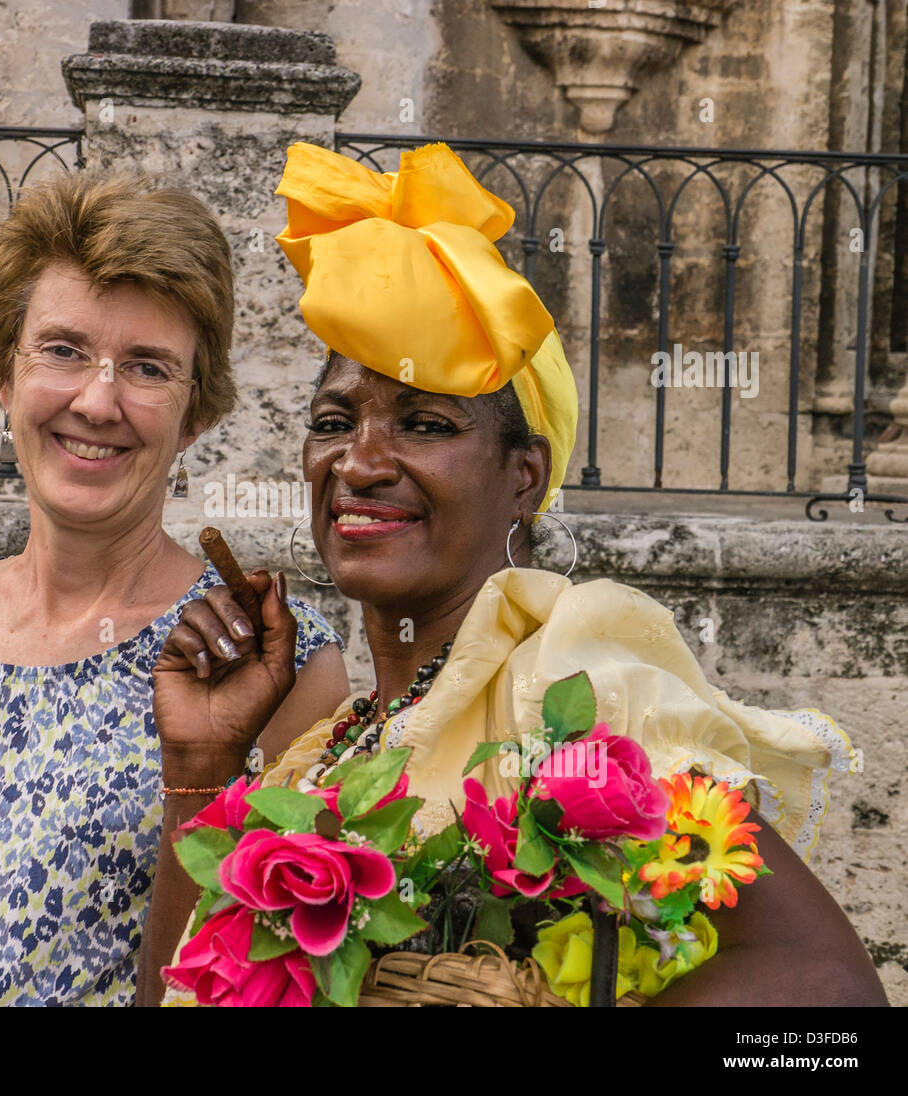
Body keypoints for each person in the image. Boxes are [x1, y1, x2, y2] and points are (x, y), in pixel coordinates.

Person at [139, 141, 887, 1006]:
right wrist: (200, 763)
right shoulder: (322, 756)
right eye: (334, 419)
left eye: (424, 425)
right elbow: (176, 993)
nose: (361, 460)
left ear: (524, 476)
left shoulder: (571, 691)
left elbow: (831, 998)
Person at [0, 170, 350, 1006]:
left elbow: (261, 981)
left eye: (148, 368)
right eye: (63, 351)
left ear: (195, 414)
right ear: (4, 379)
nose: (97, 400)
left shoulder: (269, 658)